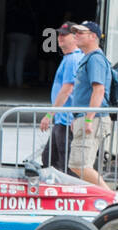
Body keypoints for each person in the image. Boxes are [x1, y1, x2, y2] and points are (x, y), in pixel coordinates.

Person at [67, 21, 111, 187]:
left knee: (80, 166)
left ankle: (113, 200)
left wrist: (88, 119)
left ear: (93, 36)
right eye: (75, 32)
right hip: (87, 117)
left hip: (93, 118)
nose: (76, 35)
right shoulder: (90, 58)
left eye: (81, 32)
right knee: (79, 166)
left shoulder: (95, 59)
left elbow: (98, 90)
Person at [39, 23, 83, 172]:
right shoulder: (69, 58)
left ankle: (65, 191)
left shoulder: (72, 59)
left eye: (65, 34)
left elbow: (67, 89)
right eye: (59, 34)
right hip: (63, 119)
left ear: (75, 37)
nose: (60, 38)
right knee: (49, 159)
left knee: (62, 163)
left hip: (66, 120)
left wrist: (49, 115)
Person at [5, 7, 35, 88]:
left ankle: (10, 82)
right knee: (20, 59)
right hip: (24, 33)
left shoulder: (13, 6)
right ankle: (19, 83)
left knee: (11, 58)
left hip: (11, 32)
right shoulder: (27, 7)